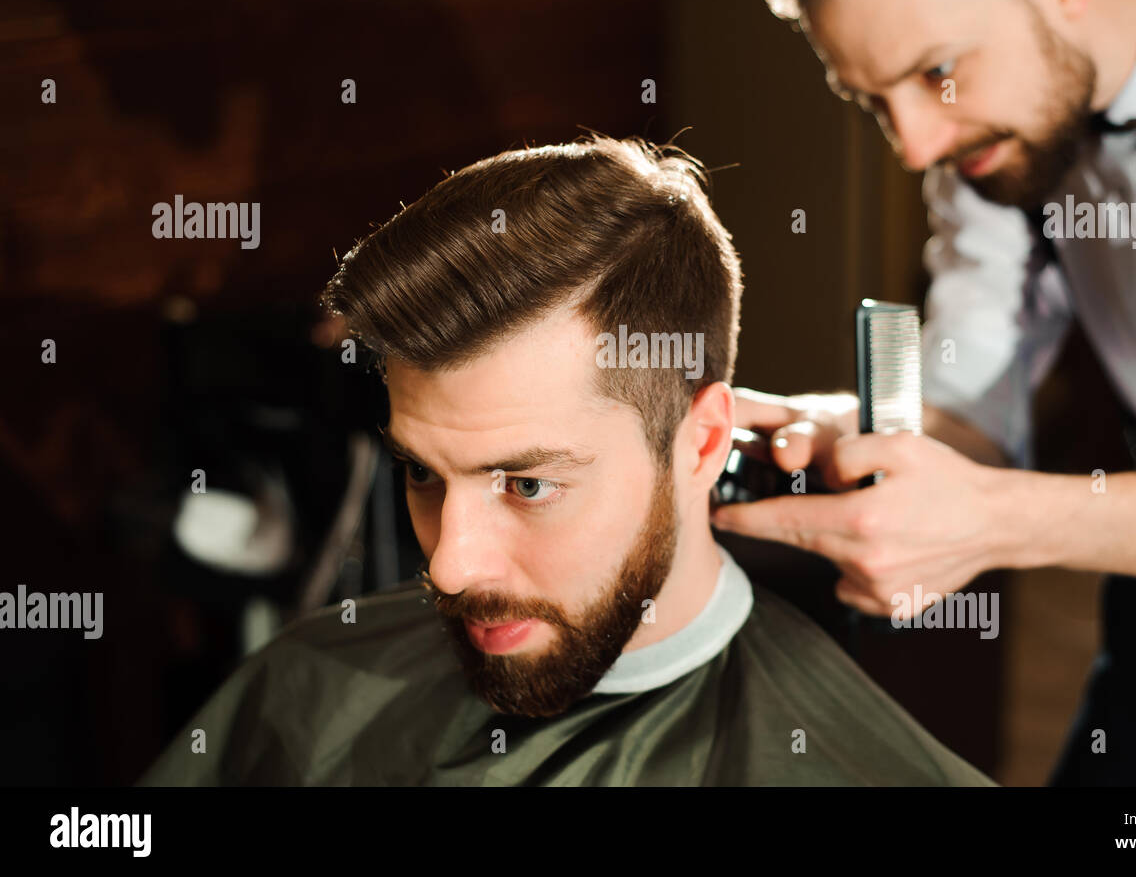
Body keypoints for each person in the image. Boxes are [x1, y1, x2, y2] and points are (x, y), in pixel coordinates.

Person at [137, 136, 994, 786]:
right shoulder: (310, 680)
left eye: (528, 483)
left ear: (699, 443)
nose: (448, 564)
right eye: (424, 473)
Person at [712, 0, 1136, 784]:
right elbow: (972, 397)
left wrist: (1005, 518)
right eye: (874, 101)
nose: (915, 144)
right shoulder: (991, 135)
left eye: (936, 72)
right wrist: (879, 438)